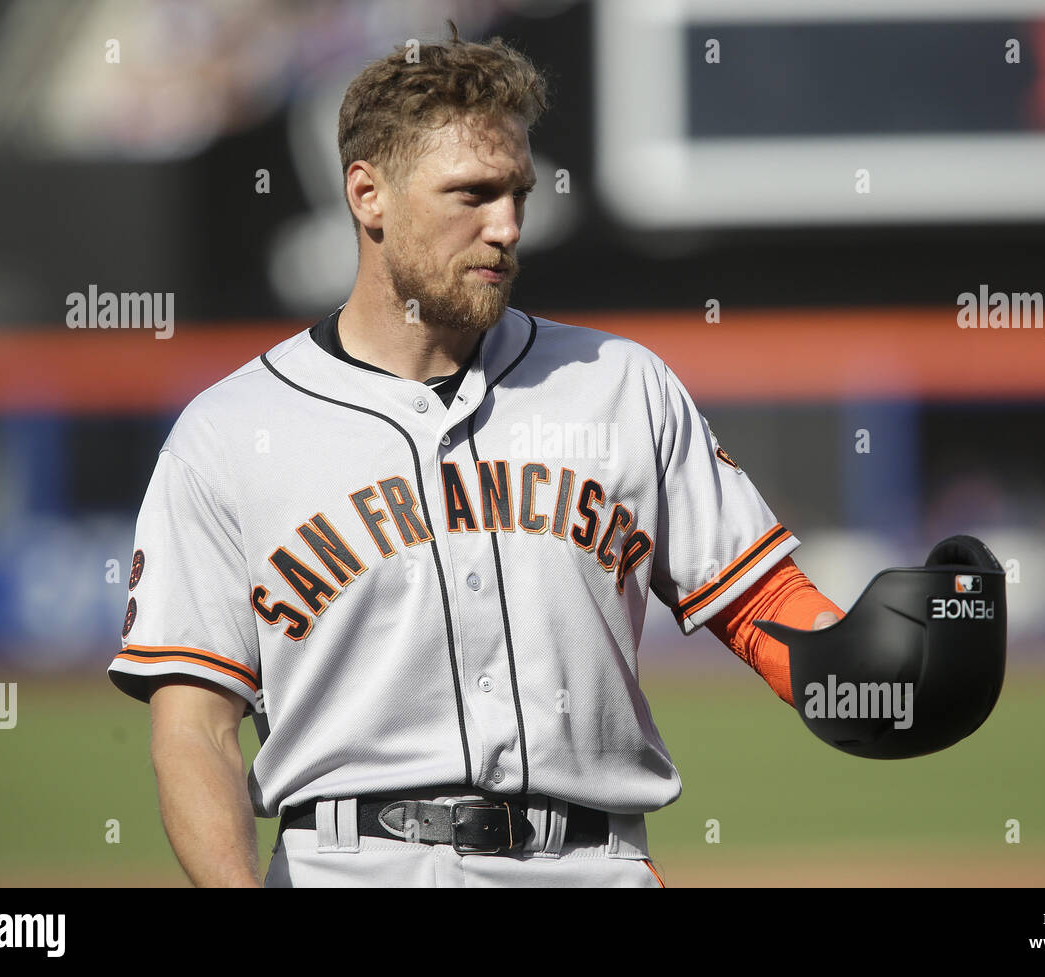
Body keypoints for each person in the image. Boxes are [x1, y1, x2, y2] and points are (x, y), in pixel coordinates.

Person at [109, 22, 842, 888]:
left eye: (517, 193)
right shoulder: (229, 431)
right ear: (367, 194)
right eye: (471, 194)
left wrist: (880, 679)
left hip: (593, 864)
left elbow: (766, 606)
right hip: (349, 867)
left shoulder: (619, 384)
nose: (506, 226)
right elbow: (193, 730)